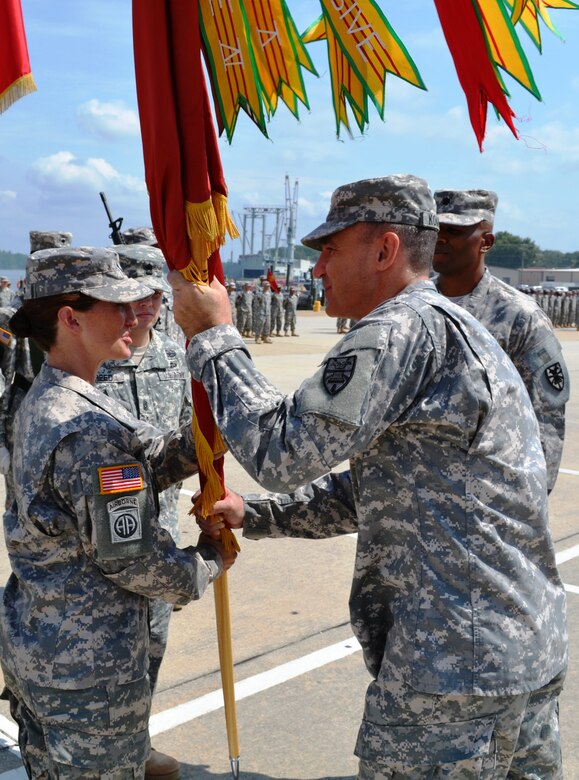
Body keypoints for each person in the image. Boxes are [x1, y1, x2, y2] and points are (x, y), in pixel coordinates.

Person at [169, 175, 567, 779]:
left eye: (331, 250)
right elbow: (391, 490)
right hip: (517, 653)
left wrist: (214, 338)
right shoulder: (448, 325)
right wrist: (258, 515)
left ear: (384, 251)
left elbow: (282, 452)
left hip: (451, 677)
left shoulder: (397, 330)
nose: (319, 268)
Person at [0, 246, 235, 780]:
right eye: (118, 305)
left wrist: (199, 442)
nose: (135, 316)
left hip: (44, 652)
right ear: (71, 318)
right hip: (90, 675)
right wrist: (208, 561)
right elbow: (134, 561)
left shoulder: (55, 397)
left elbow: (138, 456)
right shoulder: (84, 430)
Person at [95, 245, 192, 780]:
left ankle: (138, 743)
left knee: (152, 642)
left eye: (156, 294)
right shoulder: (96, 353)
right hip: (102, 534)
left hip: (159, 528)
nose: (147, 305)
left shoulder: (173, 356)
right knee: (104, 649)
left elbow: (182, 429)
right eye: (136, 295)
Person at [433, 189, 569, 492]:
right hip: (416, 494)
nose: (440, 238)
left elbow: (546, 413)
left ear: (486, 242)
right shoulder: (413, 306)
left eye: (454, 231)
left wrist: (532, 498)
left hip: (487, 497)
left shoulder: (520, 317)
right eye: (435, 228)